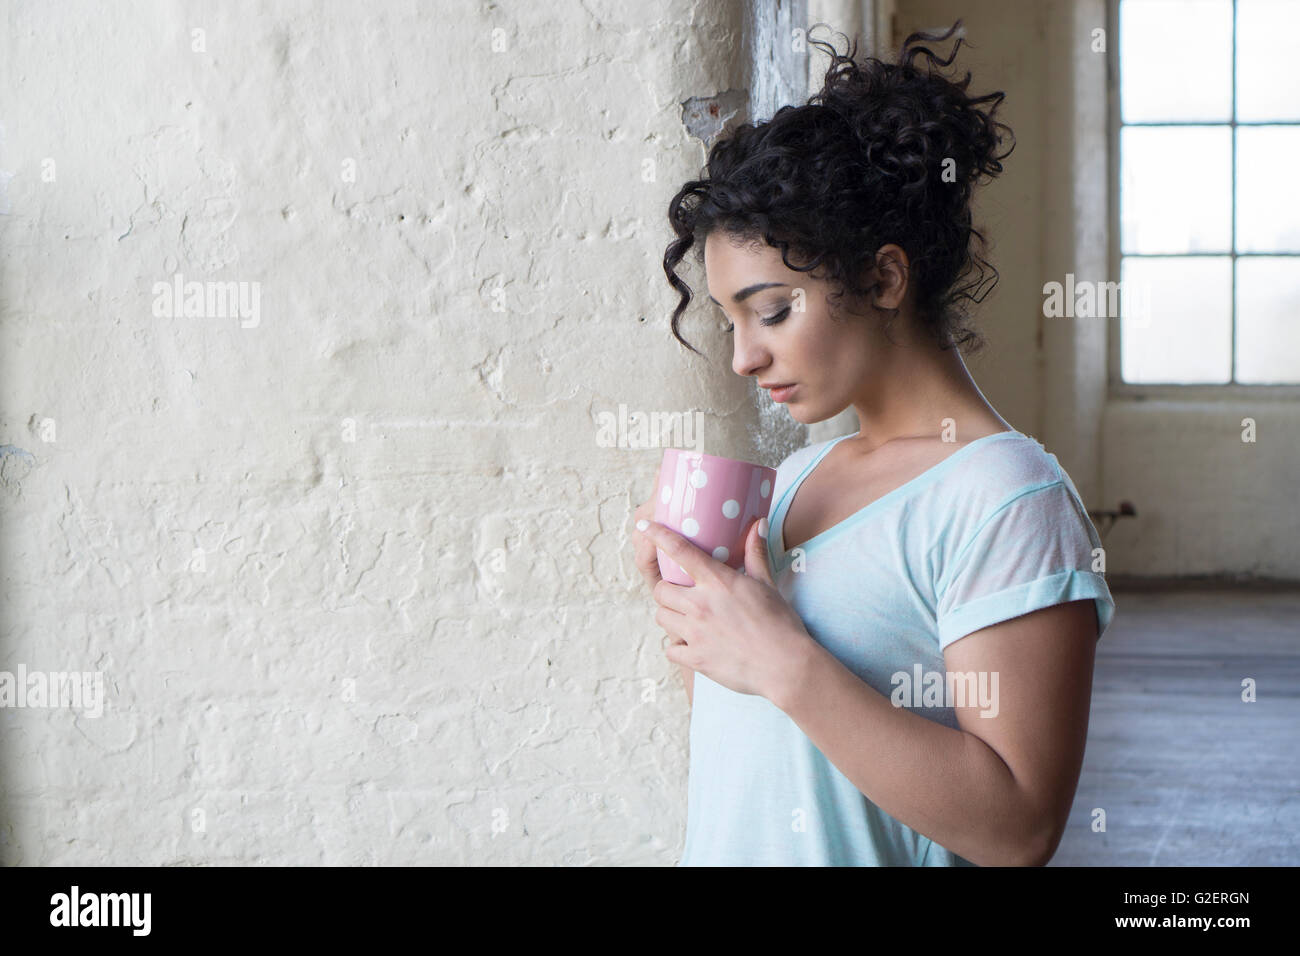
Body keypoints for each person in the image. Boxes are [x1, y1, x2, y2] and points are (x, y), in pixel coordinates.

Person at [630, 21, 1115, 866]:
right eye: (731, 318)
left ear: (885, 278)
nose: (744, 355)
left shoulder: (1007, 498)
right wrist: (700, 619)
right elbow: (766, 754)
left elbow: (1019, 829)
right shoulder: (796, 476)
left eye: (772, 309)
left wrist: (783, 659)